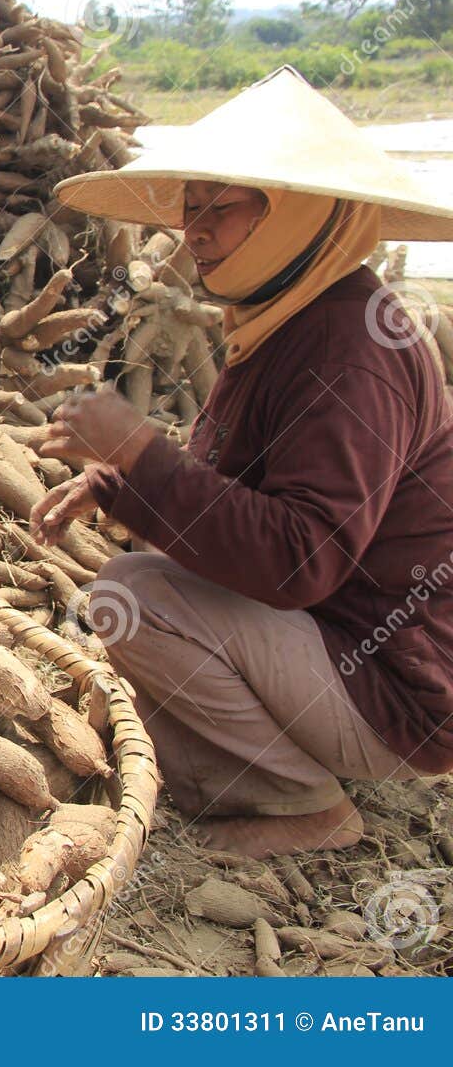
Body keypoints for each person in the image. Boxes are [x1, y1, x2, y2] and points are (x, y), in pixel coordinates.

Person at [30, 66, 453, 859]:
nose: (195, 229)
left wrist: (138, 448)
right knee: (127, 674)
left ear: (299, 216)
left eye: (220, 207)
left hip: (394, 686)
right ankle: (260, 766)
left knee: (131, 595)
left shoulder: (352, 348)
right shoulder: (287, 316)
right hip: (332, 649)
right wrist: (117, 485)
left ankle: (300, 803)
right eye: (190, 207)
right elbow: (242, 498)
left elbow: (300, 559)